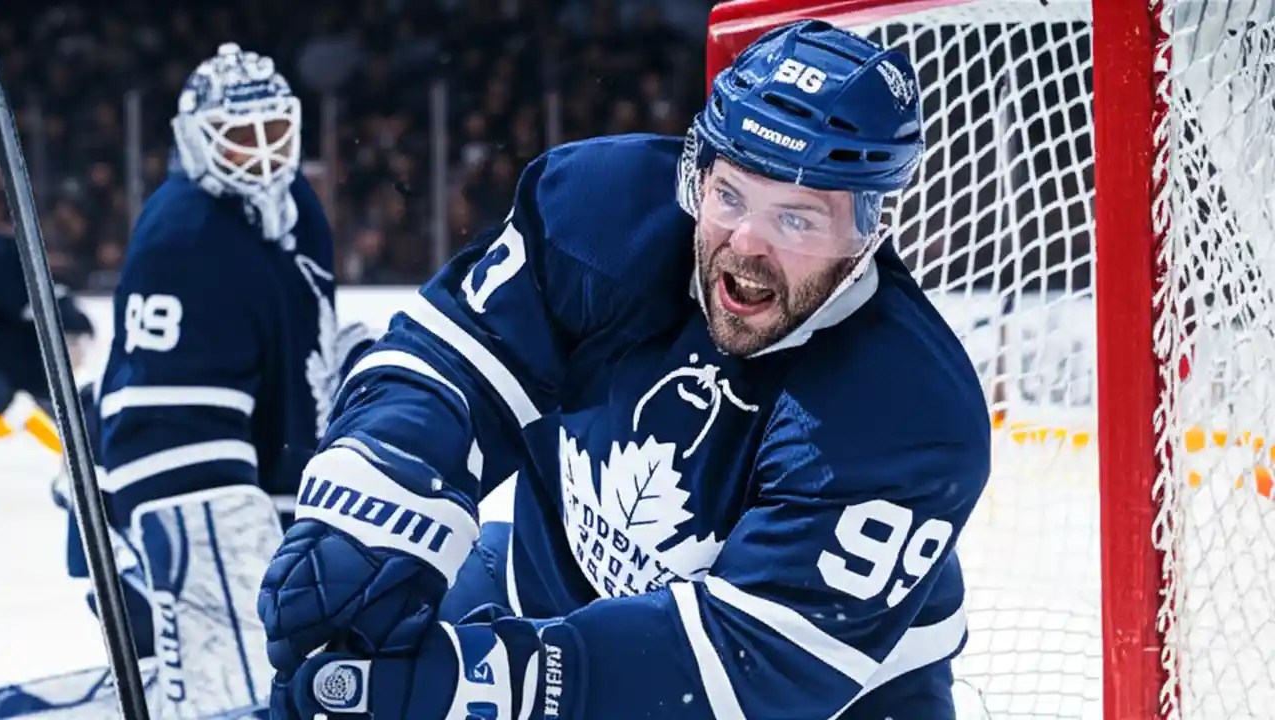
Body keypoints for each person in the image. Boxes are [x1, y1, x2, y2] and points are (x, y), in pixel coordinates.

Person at [260, 21, 990, 720]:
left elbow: (746, 669)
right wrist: (371, 509)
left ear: (865, 233)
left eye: (796, 219)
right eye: (730, 195)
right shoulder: (606, 213)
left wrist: (494, 685)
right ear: (697, 174)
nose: (745, 244)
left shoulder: (906, 414)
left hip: (842, 697)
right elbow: (451, 360)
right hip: (549, 580)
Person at [0, 43, 371, 720]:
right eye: (237, 139)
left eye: (273, 132)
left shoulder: (295, 209)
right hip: (149, 527)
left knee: (268, 683)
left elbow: (291, 354)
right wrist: (233, 565)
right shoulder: (184, 234)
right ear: (194, 141)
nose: (259, 154)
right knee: (225, 695)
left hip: (255, 518)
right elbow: (165, 438)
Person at [0, 232, 94, 456]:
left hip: (31, 363)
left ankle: (76, 455)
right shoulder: (7, 254)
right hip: (23, 369)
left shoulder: (7, 256)